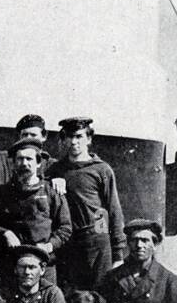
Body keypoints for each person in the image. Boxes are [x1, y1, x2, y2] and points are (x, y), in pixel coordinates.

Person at [46, 117, 125, 292]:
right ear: (64, 139)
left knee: (100, 293)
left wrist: (117, 254)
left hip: (96, 241)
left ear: (88, 139)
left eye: (79, 136)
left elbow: (113, 210)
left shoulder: (101, 170)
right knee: (70, 293)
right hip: (68, 243)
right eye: (69, 137)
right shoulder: (56, 170)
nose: (74, 142)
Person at [0, 138, 72, 286]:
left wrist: (49, 246)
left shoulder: (51, 191)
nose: (24, 163)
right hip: (13, 263)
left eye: (29, 159)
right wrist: (6, 233)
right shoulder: (3, 193)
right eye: (20, 159)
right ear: (13, 163)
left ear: (38, 163)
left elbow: (65, 228)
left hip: (44, 262)